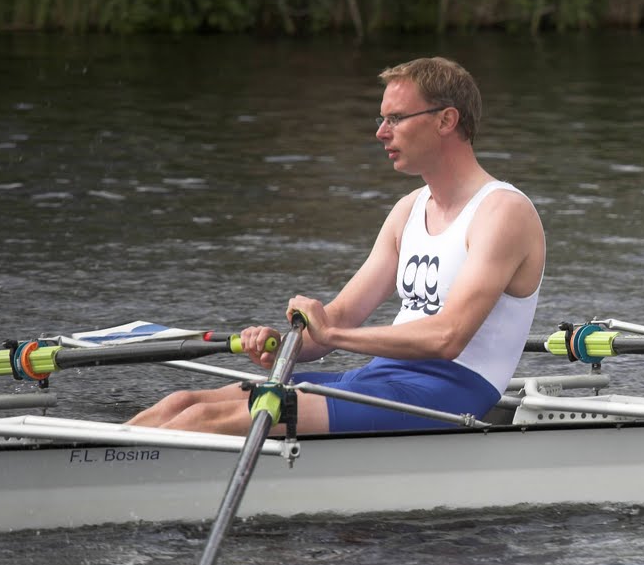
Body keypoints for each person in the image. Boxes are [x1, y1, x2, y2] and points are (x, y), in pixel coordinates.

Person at [129, 56, 545, 435]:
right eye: (382, 118)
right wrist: (285, 346)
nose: (381, 132)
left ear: (446, 120)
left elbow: (448, 337)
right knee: (180, 404)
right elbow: (340, 317)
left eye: (396, 118)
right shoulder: (408, 210)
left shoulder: (502, 212)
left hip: (448, 393)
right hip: (381, 378)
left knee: (202, 422)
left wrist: (333, 332)